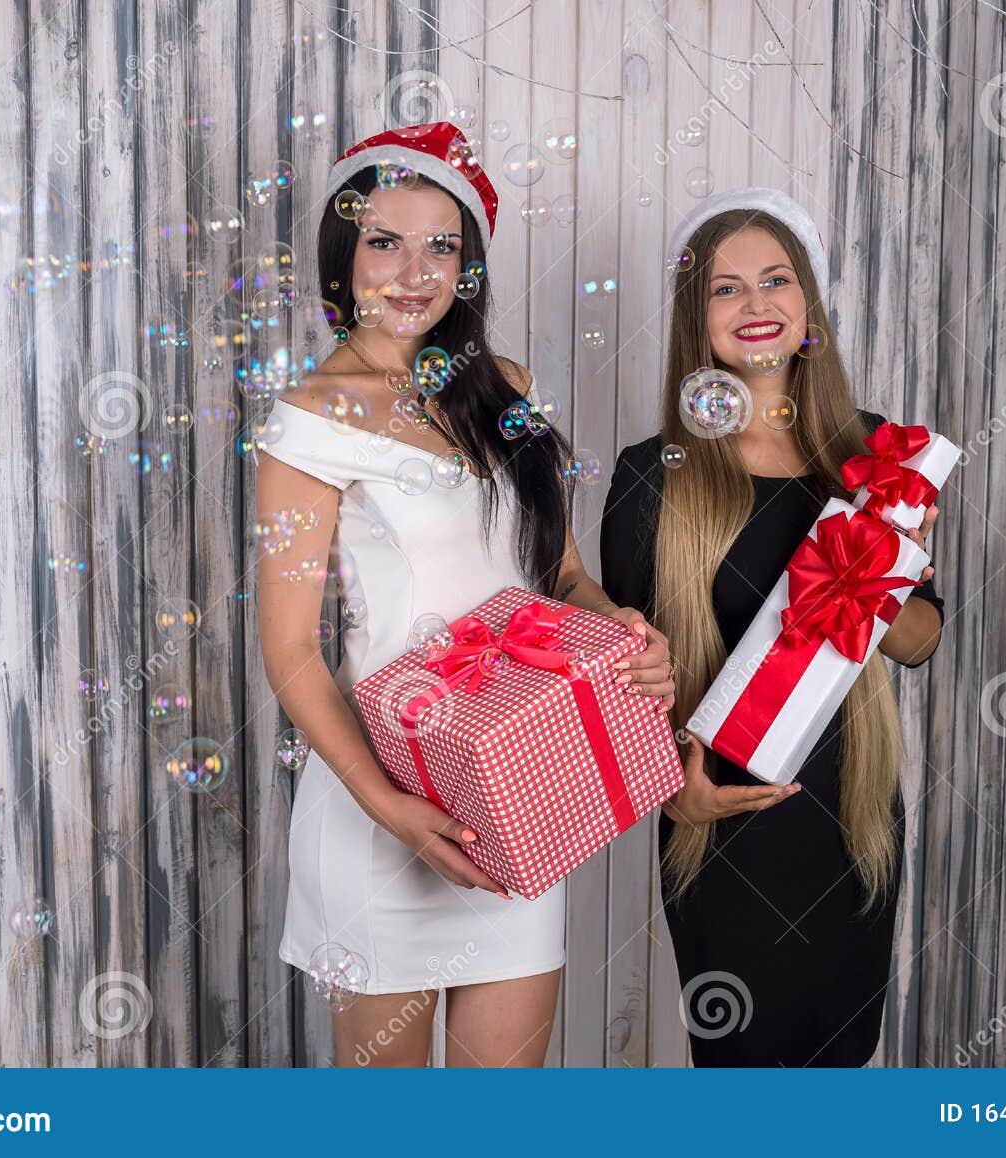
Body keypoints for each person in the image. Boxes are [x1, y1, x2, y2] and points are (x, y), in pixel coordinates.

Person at [255, 122, 675, 1067]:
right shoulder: (308, 421)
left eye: (441, 245)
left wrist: (622, 636)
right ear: (341, 256)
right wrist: (390, 809)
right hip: (381, 807)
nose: (414, 272)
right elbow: (290, 652)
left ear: (470, 265)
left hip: (514, 791)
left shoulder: (508, 388)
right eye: (383, 241)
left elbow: (557, 574)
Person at [598, 187, 945, 1066]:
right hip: (721, 828)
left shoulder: (875, 457)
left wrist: (880, 569)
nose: (756, 305)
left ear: (810, 307)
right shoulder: (656, 476)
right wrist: (672, 790)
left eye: (777, 280)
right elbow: (621, 675)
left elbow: (923, 642)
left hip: (852, 817)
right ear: (695, 319)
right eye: (725, 288)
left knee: (839, 1068)